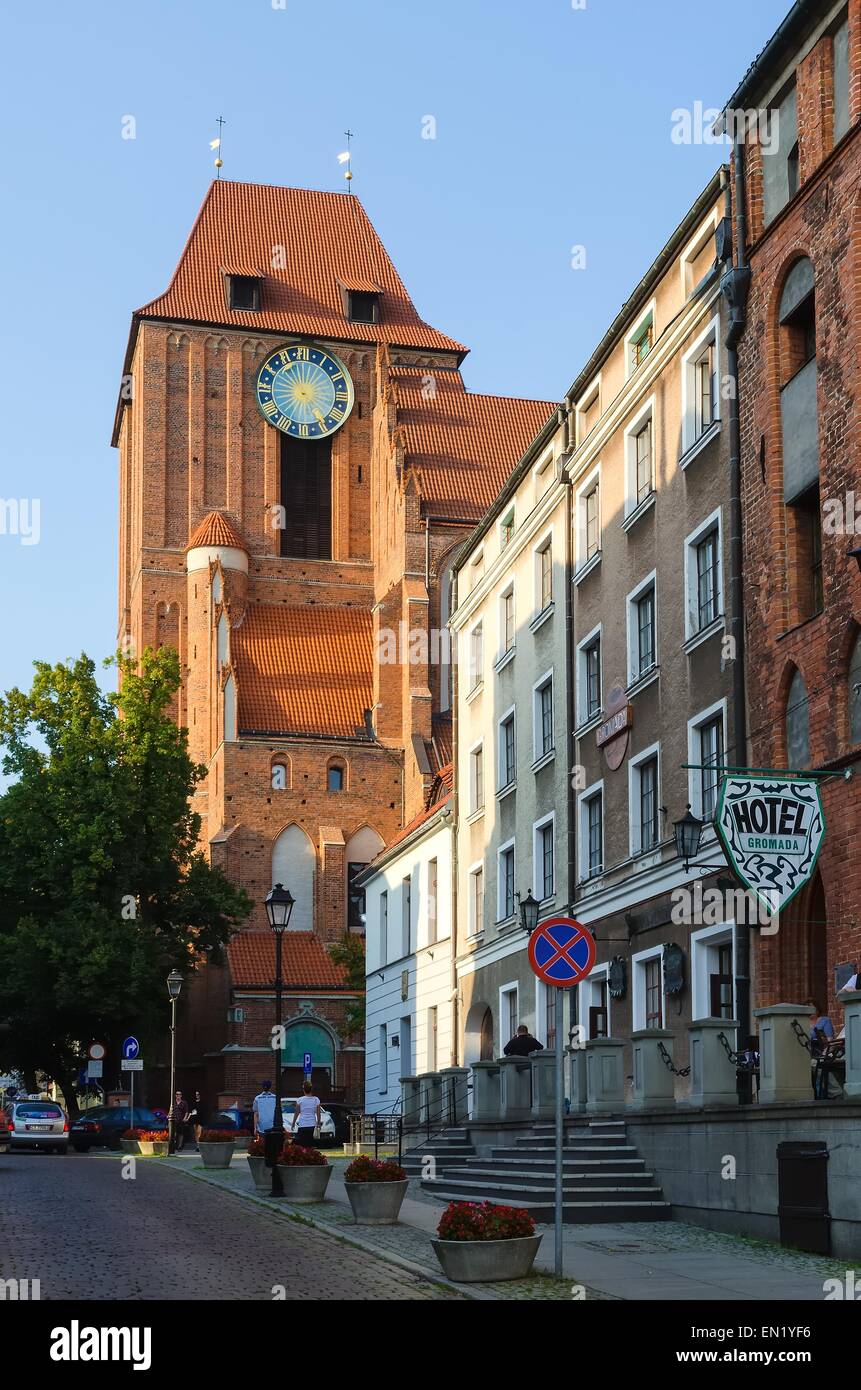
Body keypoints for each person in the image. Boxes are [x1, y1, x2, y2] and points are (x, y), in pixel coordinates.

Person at [290, 1081, 322, 1147]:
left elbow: (297, 1113)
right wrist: (318, 1123)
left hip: (302, 1124)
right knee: (310, 1143)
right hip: (312, 1124)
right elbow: (318, 1113)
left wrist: (293, 1123)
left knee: (302, 1144)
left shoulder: (300, 1100)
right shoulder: (316, 1100)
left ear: (303, 1090)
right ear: (311, 1089)